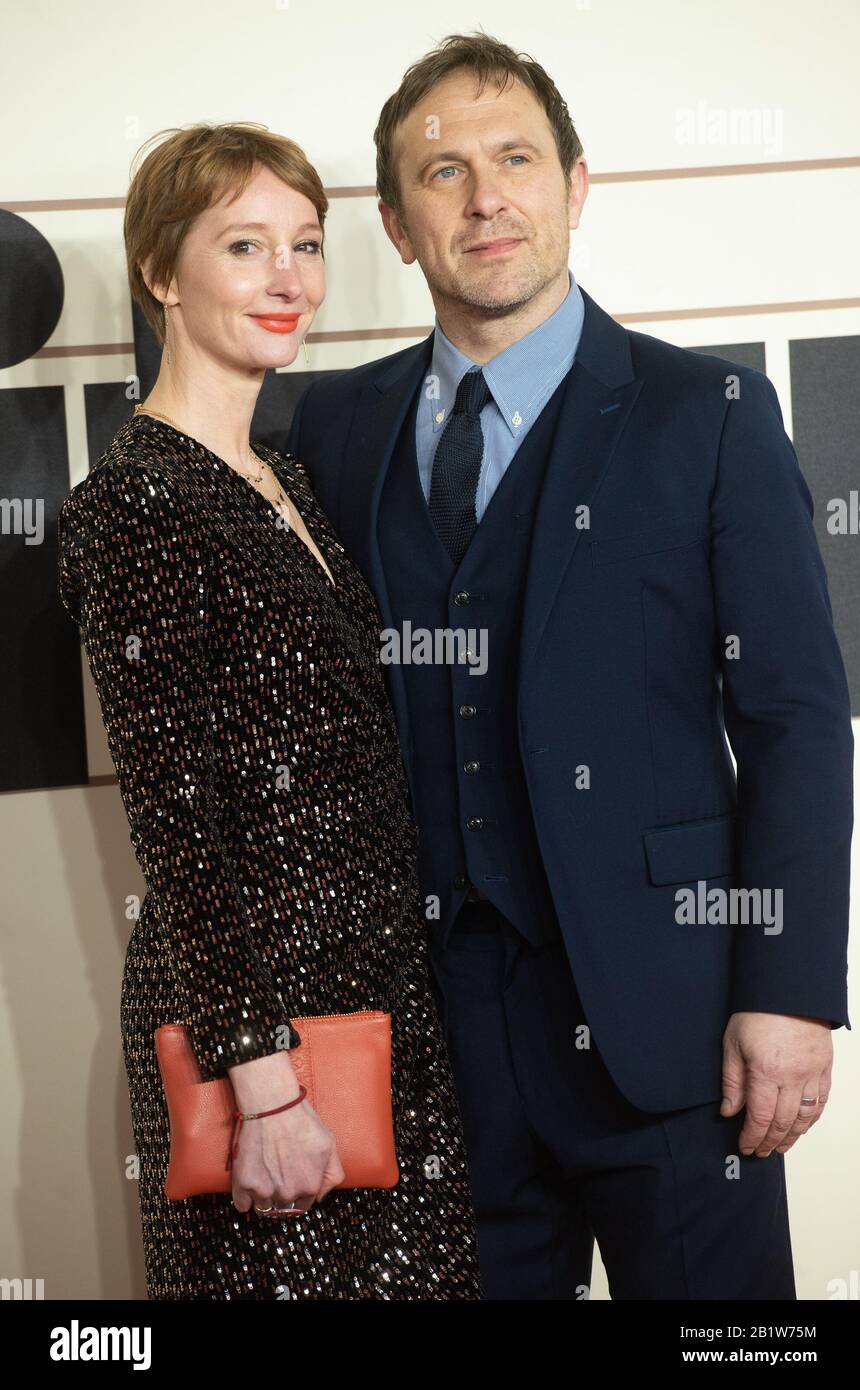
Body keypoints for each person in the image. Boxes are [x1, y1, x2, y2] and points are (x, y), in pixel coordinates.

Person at [287, 33, 855, 1299]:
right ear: (395, 221)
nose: (487, 197)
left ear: (576, 186)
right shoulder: (330, 425)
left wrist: (792, 991)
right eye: (444, 171)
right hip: (430, 1049)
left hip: (679, 1029)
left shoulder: (705, 414)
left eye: (516, 159)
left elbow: (797, 720)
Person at [57, 122, 481, 1301]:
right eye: (245, 245)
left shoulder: (285, 480)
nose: (288, 277)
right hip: (270, 1049)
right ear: (159, 272)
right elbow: (176, 829)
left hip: (381, 1009)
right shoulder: (133, 503)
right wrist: (265, 1082)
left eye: (306, 243)